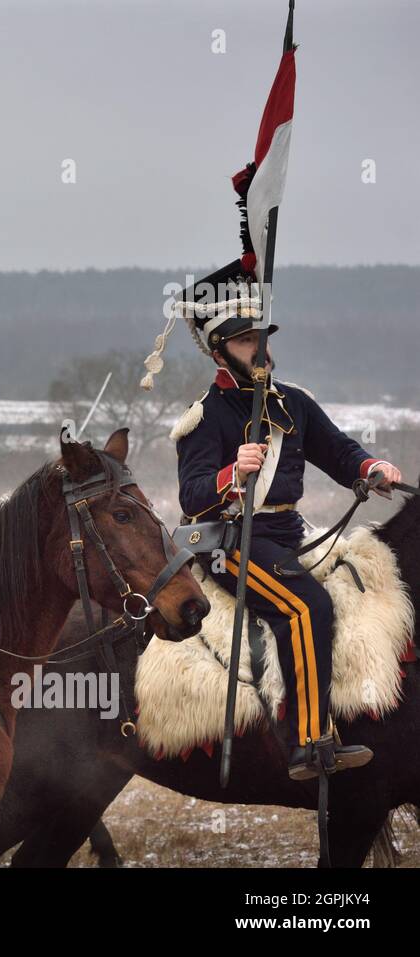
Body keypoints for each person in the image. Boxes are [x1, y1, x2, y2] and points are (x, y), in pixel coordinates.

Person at [164, 243, 401, 780]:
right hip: (230, 543)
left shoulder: (293, 400)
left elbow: (339, 451)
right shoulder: (203, 418)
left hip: (287, 533)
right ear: (219, 350)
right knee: (306, 607)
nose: (260, 348)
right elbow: (192, 496)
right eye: (247, 340)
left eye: (261, 337)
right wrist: (232, 474)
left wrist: (369, 469)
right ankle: (310, 743)